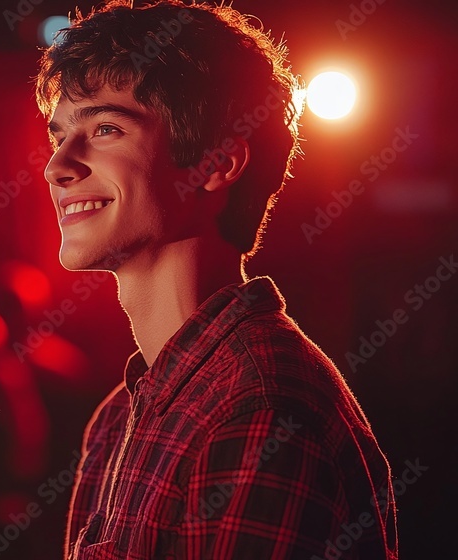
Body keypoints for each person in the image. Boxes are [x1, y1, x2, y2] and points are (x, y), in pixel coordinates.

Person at [34, 1, 398, 558]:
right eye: (59, 135)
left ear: (218, 165)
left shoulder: (260, 409)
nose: (57, 165)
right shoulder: (116, 421)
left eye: (105, 128)